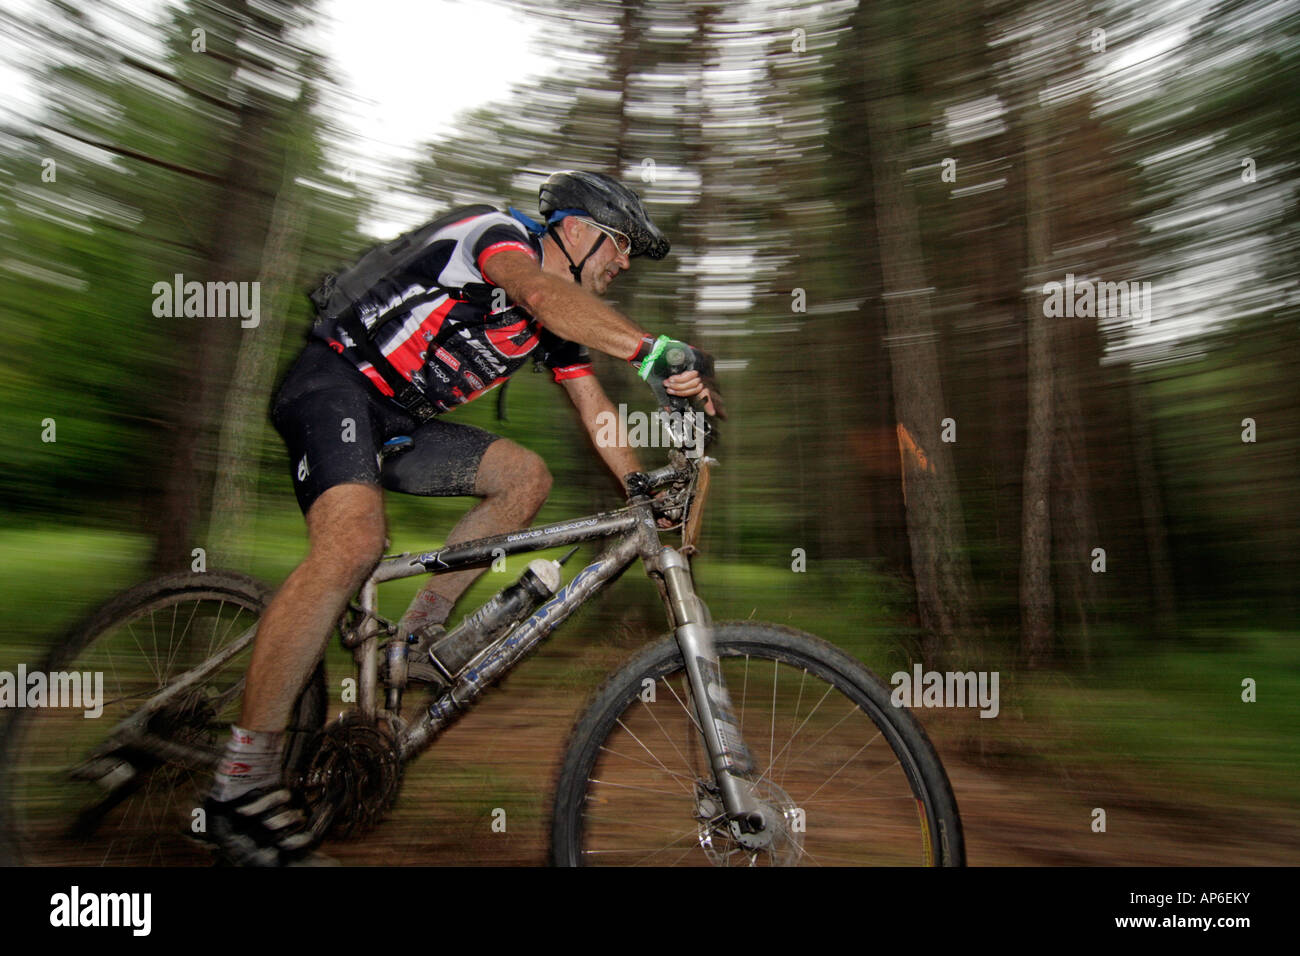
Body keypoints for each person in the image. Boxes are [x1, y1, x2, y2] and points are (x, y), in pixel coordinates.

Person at [200, 170, 719, 865]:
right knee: (353, 543)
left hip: (397, 426)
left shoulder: (552, 329)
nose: (623, 262)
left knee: (525, 476)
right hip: (333, 384)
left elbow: (596, 409)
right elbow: (539, 291)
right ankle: (242, 780)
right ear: (573, 227)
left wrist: (641, 493)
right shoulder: (496, 237)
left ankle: (415, 639)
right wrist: (653, 351)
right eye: (619, 244)